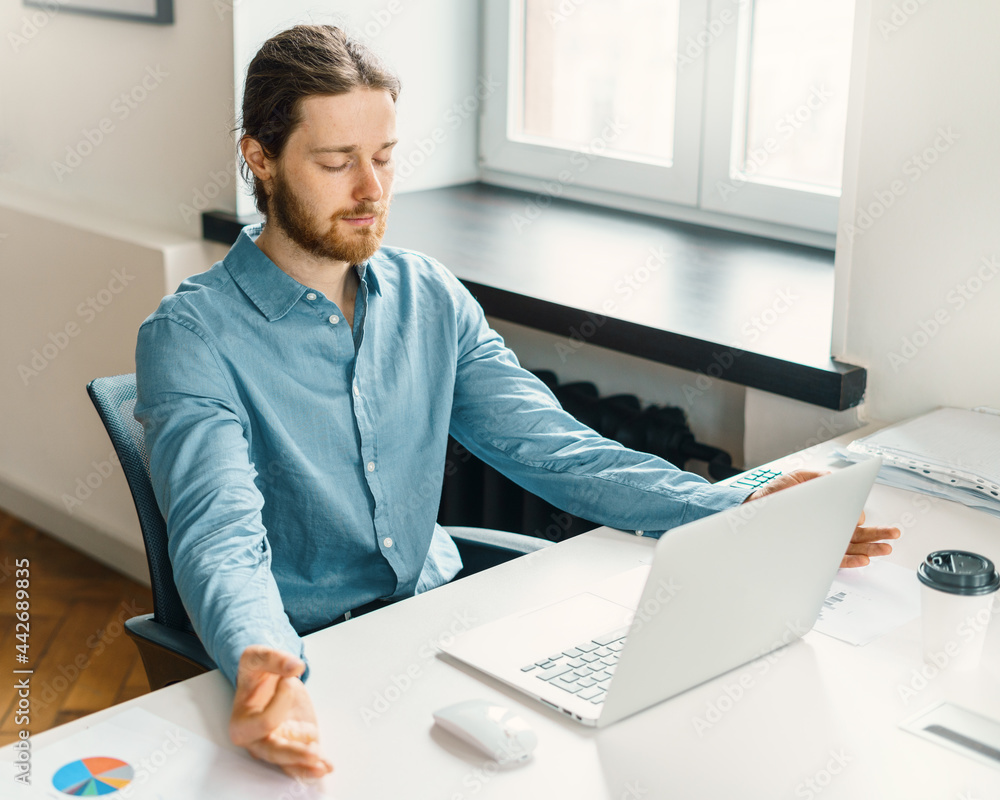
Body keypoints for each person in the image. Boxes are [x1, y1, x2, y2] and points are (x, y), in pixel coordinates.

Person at [134, 24, 899, 784]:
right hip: (316, 656)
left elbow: (554, 449)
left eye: (386, 157)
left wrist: (739, 505)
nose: (372, 189)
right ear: (260, 159)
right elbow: (219, 539)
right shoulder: (191, 336)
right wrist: (264, 667)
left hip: (435, 623)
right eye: (336, 162)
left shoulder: (427, 294)